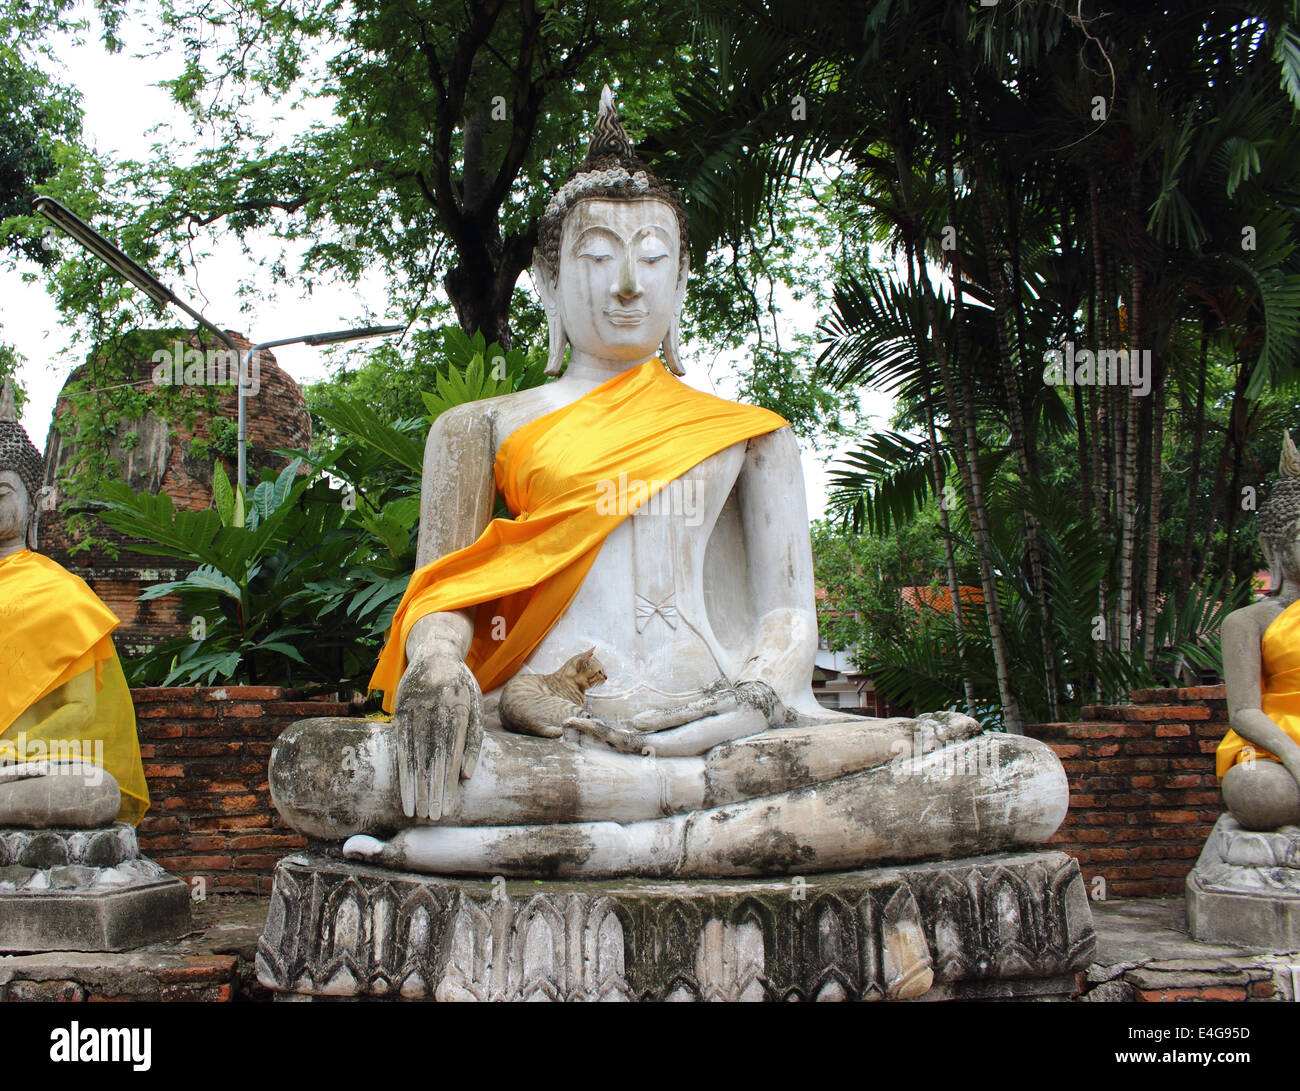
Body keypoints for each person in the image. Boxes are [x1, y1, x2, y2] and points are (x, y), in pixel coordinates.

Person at [270, 89, 1067, 877]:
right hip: (547, 729)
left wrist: (755, 694)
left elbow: (788, 615)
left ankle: (637, 831)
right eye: (597, 257)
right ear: (548, 283)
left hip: (723, 729)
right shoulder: (480, 427)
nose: (627, 285)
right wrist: (438, 667)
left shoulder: (754, 435)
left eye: (653, 258)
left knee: (1022, 780)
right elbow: (440, 594)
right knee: (315, 768)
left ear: (681, 281)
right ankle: (702, 822)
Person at [0, 379, 149, 827]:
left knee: (90, 794)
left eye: (1, 492)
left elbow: (82, 710)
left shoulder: (60, 594)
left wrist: (15, 749)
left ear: (36, 503)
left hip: (27, 768)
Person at [1217, 431, 1300, 830]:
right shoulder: (1248, 622)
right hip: (1272, 752)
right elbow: (1245, 710)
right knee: (1257, 790)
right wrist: (1293, 754)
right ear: (1276, 548)